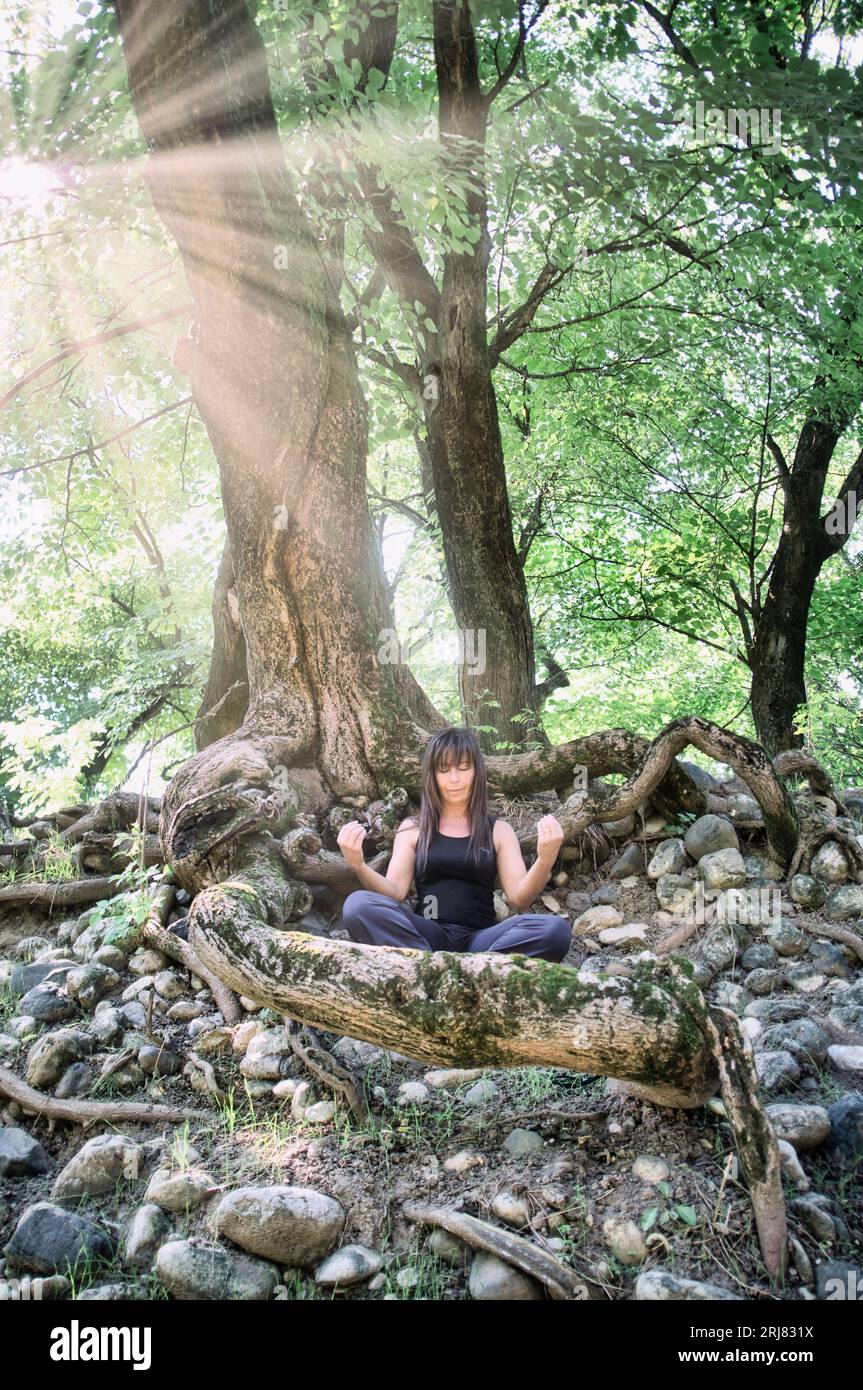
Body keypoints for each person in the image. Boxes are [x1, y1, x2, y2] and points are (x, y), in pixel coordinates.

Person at [336, 726, 572, 963]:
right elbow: (395, 893)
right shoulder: (412, 828)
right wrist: (359, 866)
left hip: (480, 941)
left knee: (555, 930)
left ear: (476, 772)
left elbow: (519, 899)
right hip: (427, 936)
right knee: (358, 905)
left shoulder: (499, 831)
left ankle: (454, 968)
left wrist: (545, 860)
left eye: (463, 767)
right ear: (433, 776)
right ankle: (433, 968)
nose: (454, 779)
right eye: (444, 769)